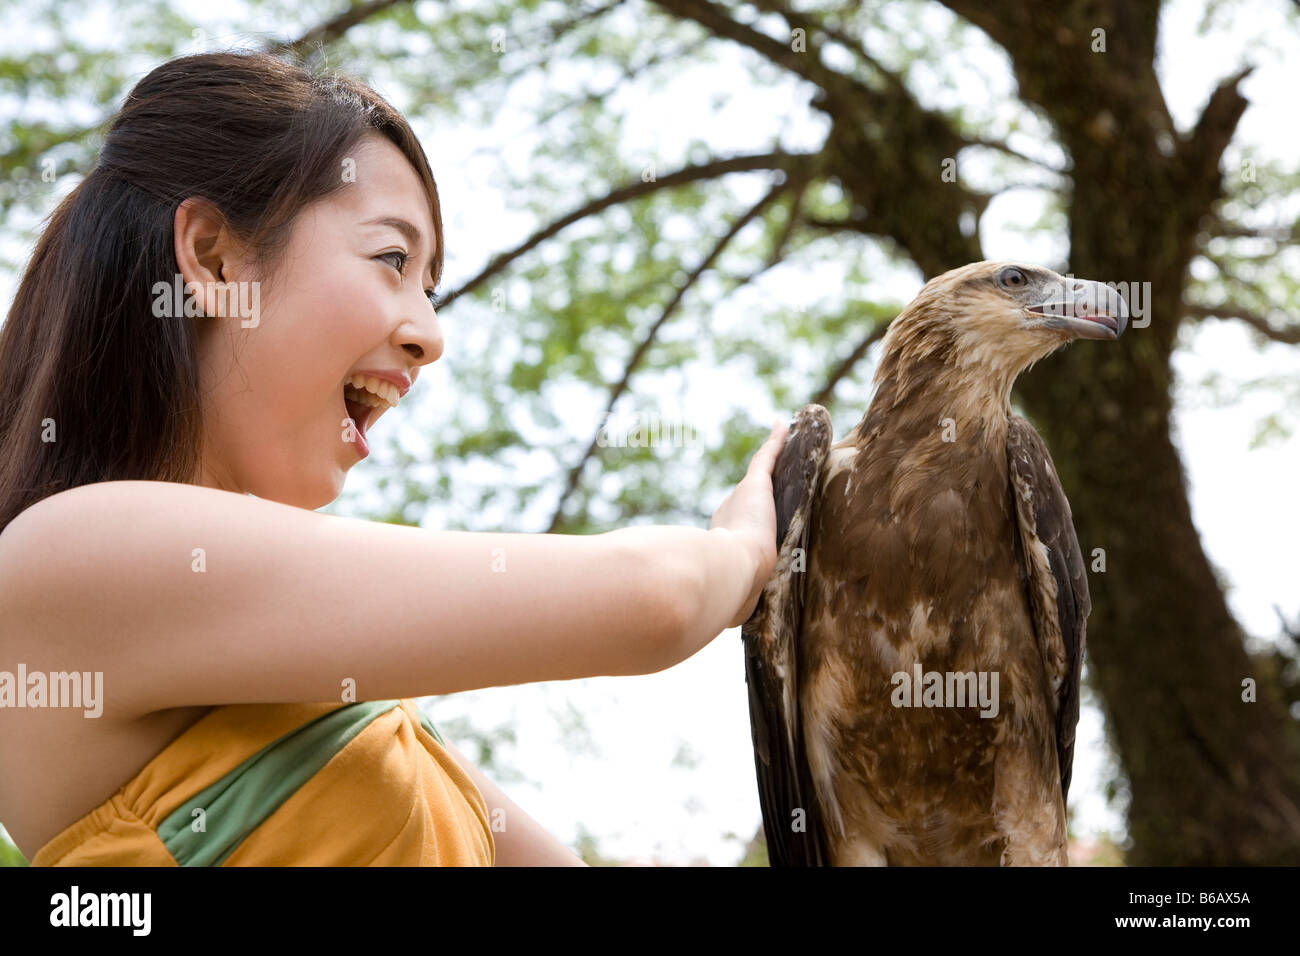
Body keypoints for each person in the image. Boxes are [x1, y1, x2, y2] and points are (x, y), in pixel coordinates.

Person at [0, 50, 787, 866]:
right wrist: (742, 549)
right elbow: (655, 600)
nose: (429, 336)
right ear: (214, 259)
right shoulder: (64, 556)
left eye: (431, 290)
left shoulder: (368, 721)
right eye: (391, 260)